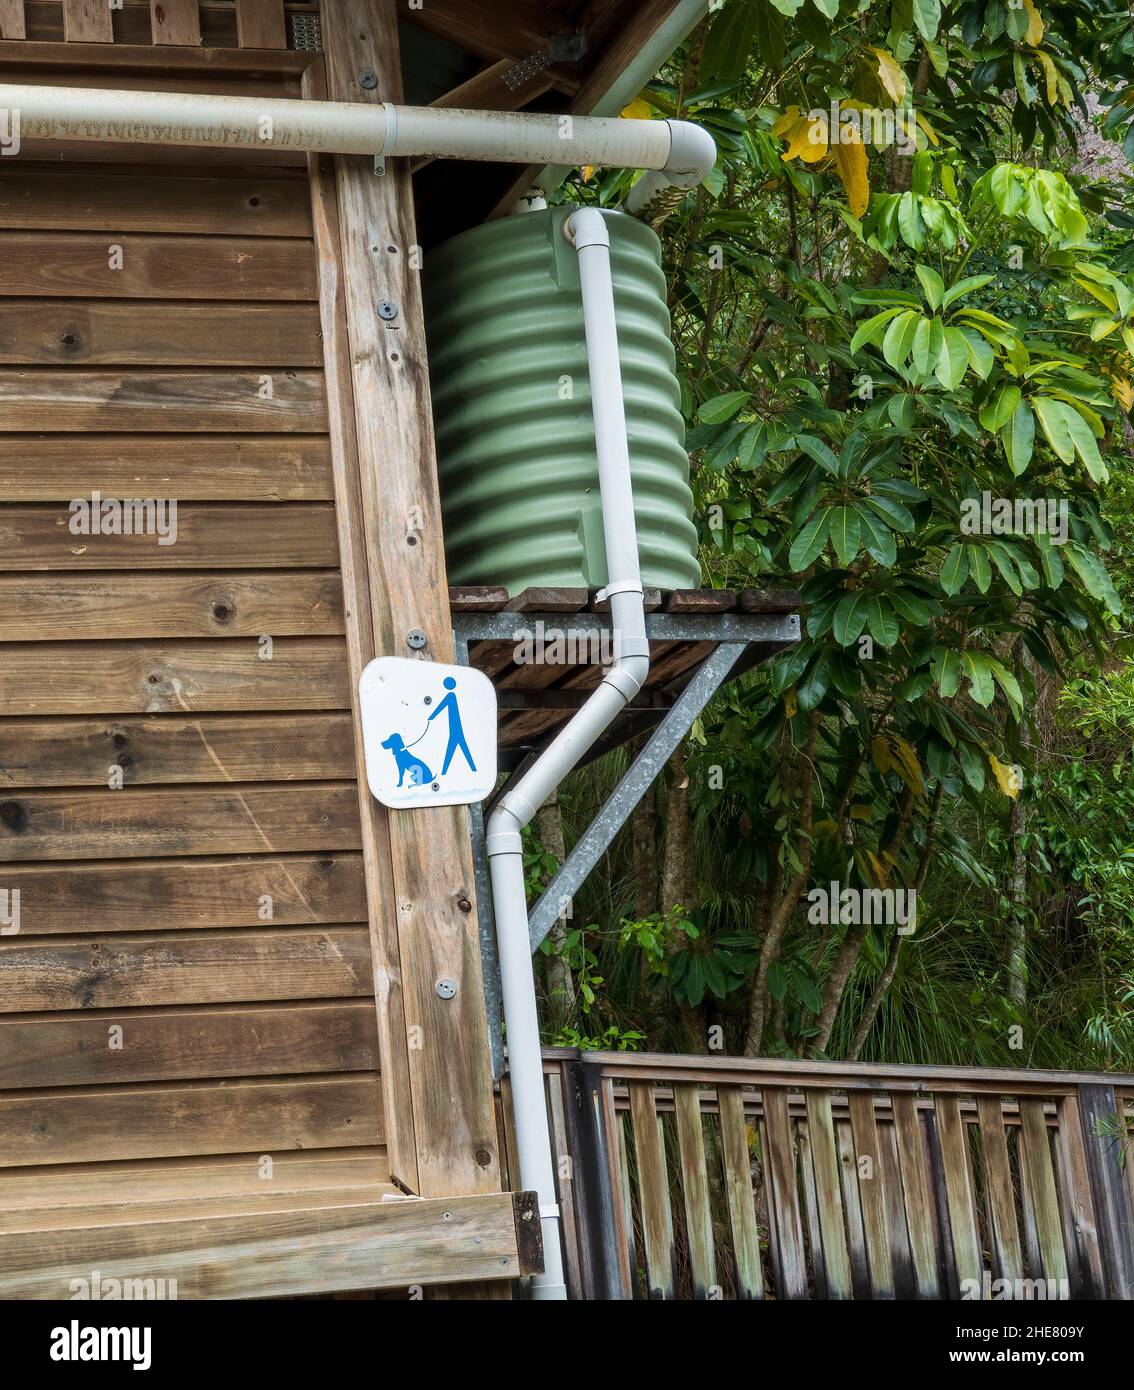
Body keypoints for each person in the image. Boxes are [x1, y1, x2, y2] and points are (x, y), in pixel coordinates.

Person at [427, 676, 477, 776]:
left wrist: (431, 717)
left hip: (455, 729)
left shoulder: (451, 695)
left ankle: (445, 772)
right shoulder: (452, 695)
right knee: (460, 750)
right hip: (455, 730)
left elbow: (441, 706)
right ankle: (472, 769)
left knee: (453, 750)